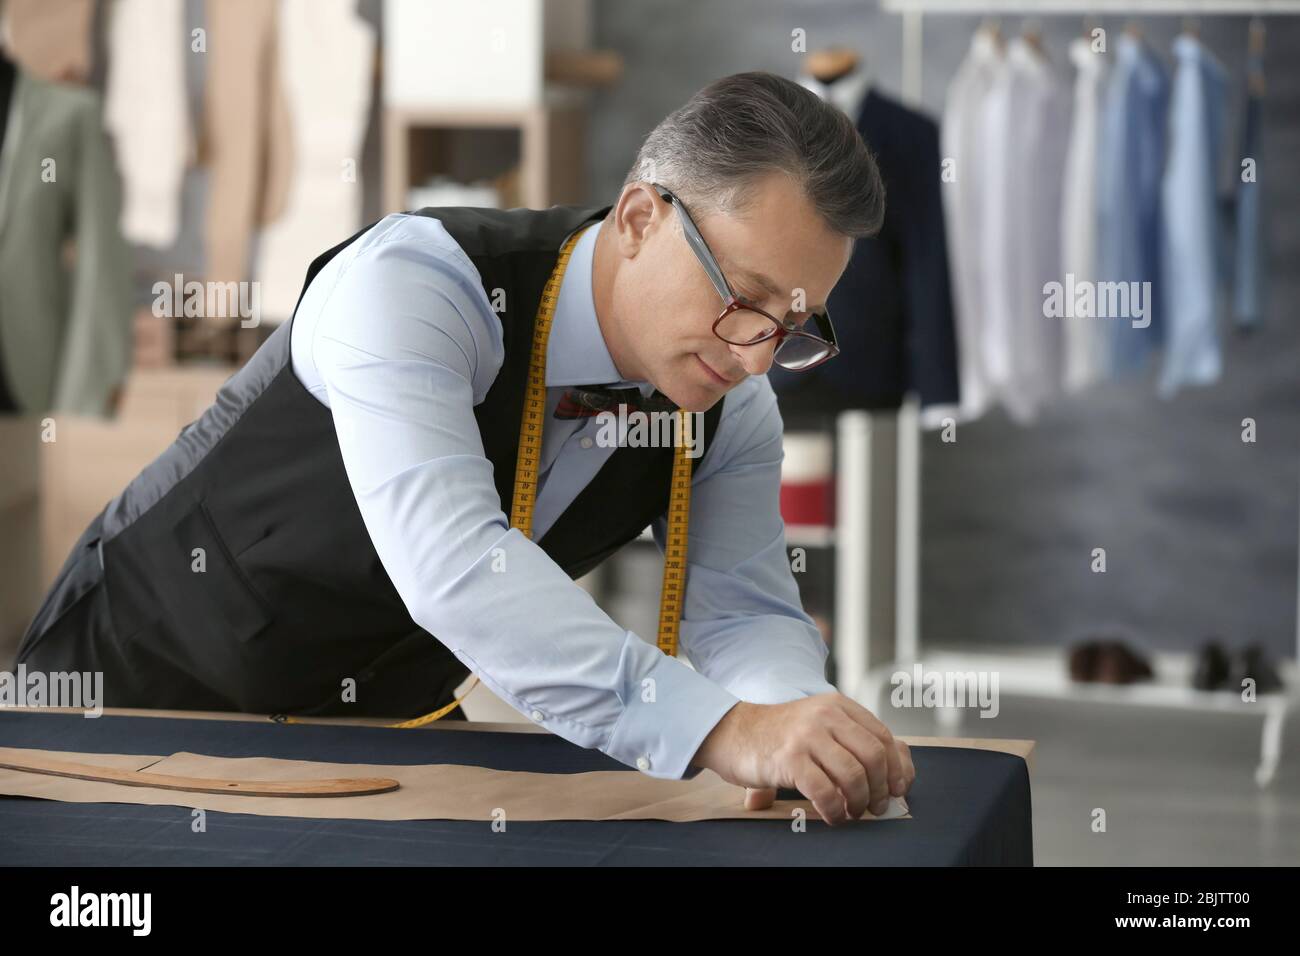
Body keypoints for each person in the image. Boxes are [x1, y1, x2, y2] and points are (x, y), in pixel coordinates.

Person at [17, 71, 912, 826]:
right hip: (135, 694)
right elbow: (454, 564)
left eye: (792, 325)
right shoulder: (413, 285)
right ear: (640, 218)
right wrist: (722, 732)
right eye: (746, 296)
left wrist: (795, 722)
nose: (757, 354)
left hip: (375, 752)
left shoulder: (731, 404)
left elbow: (744, 613)